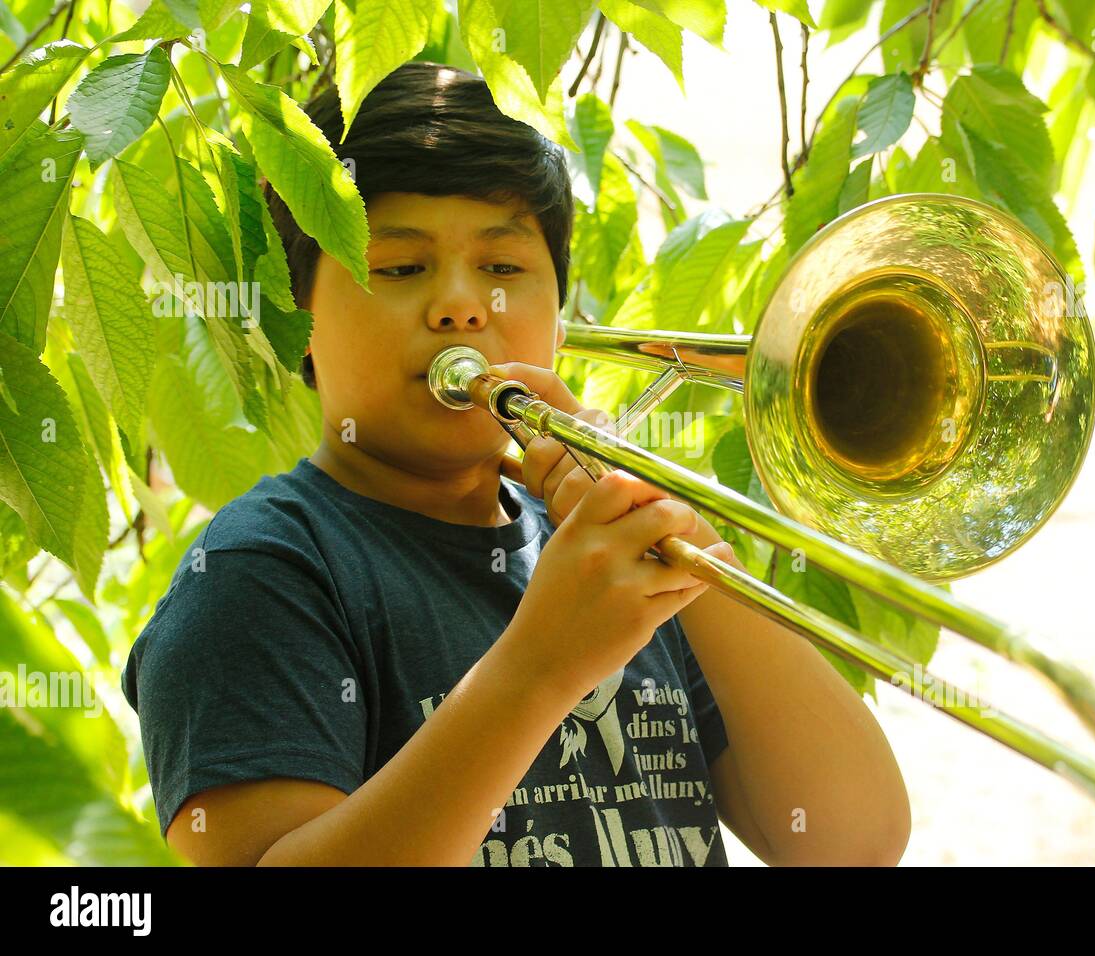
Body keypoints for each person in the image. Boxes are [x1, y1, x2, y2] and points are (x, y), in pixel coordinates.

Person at [121, 62, 910, 867]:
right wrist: (541, 667)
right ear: (300, 320)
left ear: (558, 321)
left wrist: (684, 541)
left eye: (504, 270)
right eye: (398, 267)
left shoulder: (615, 559)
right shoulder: (258, 571)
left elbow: (850, 843)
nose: (463, 306)